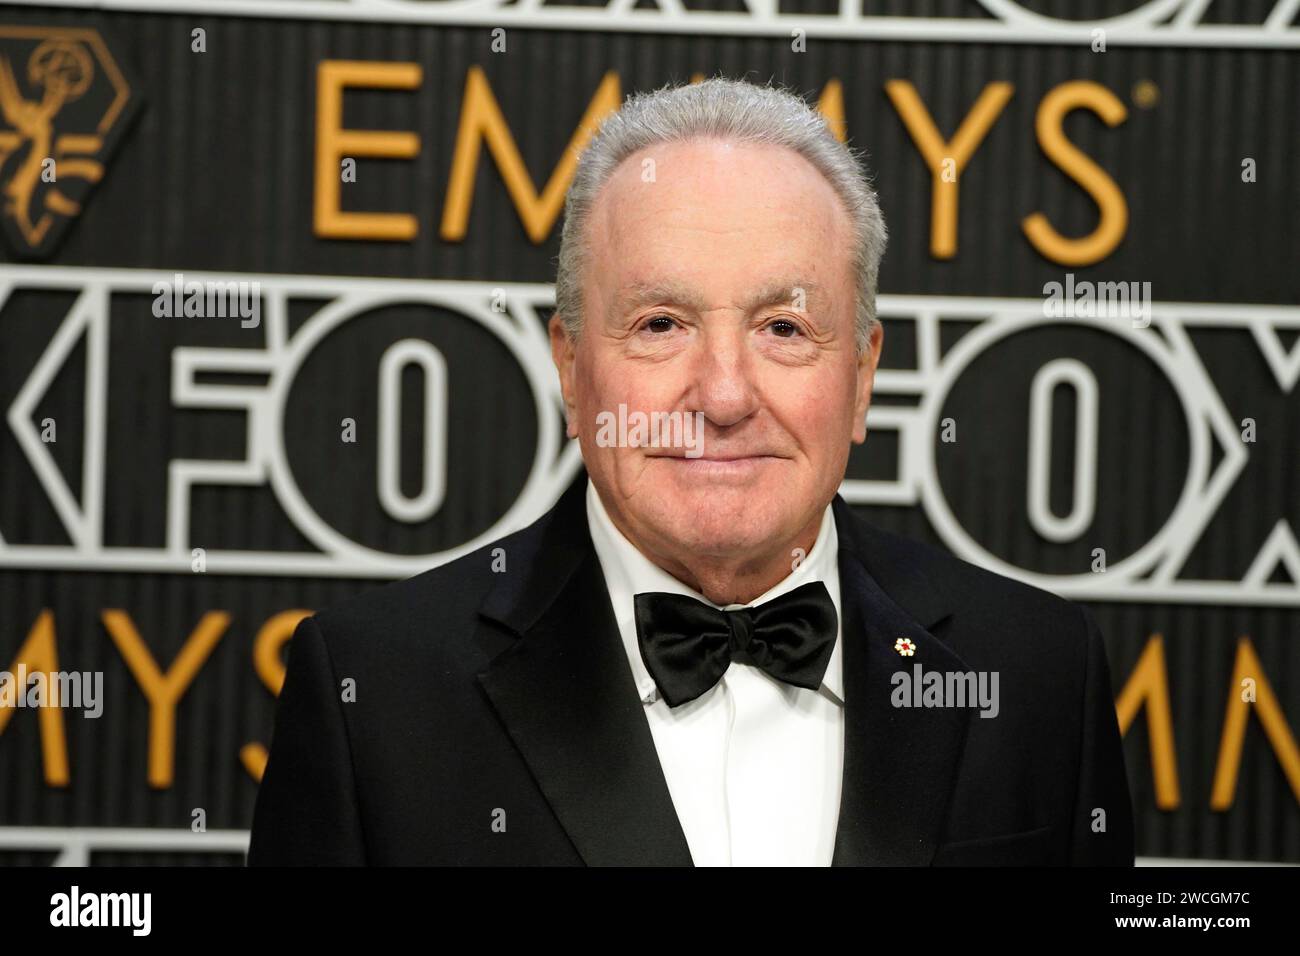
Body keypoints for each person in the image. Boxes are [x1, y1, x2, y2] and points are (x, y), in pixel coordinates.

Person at [248, 76, 1134, 866]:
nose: (722, 395)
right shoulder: (376, 696)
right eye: (661, 323)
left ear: (862, 377)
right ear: (569, 367)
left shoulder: (1037, 675)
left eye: (785, 329)